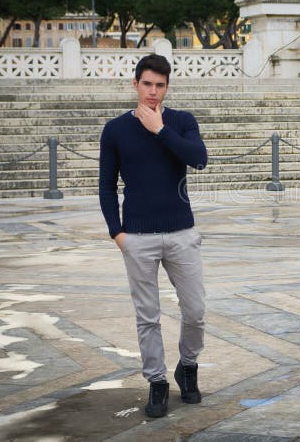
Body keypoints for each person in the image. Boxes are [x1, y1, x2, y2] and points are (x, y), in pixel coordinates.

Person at [98, 54, 208, 418]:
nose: (153, 91)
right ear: (135, 84)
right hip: (138, 238)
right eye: (147, 84)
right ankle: (157, 381)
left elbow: (199, 158)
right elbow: (105, 186)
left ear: (167, 87)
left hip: (182, 233)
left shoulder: (181, 121)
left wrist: (160, 129)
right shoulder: (115, 130)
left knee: (195, 311)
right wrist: (118, 233)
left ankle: (187, 366)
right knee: (148, 317)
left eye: (160, 85)